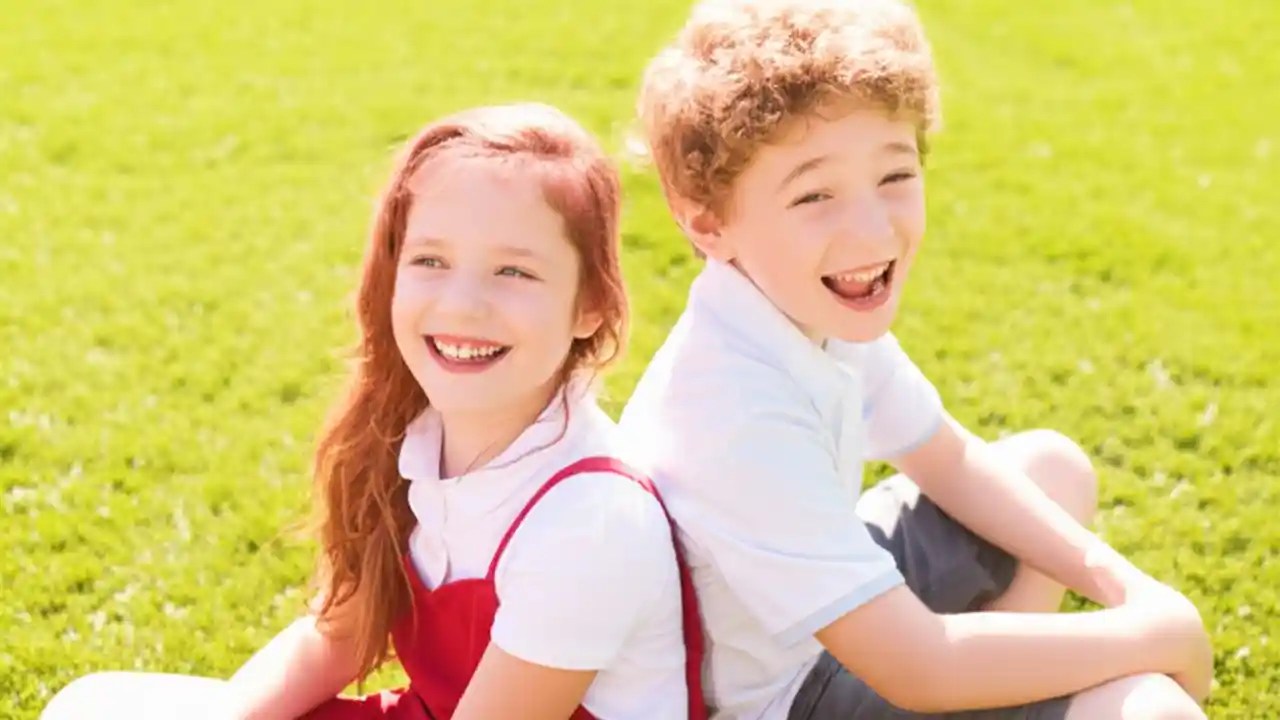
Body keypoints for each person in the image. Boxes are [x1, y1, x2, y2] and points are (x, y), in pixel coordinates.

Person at [618, 1, 1212, 718]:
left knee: (1049, 470)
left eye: (894, 176)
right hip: (783, 698)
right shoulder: (731, 413)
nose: (871, 230)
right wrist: (1146, 640)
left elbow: (947, 459)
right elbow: (920, 670)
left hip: (830, 629)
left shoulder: (803, 304)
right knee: (1149, 708)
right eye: (814, 194)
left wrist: (1123, 588)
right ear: (709, 221)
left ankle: (1007, 686)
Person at [43, 103, 704, 720]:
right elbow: (338, 636)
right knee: (93, 704)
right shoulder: (414, 438)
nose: (462, 304)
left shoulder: (589, 521)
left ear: (590, 305)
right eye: (430, 261)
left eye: (514, 273)